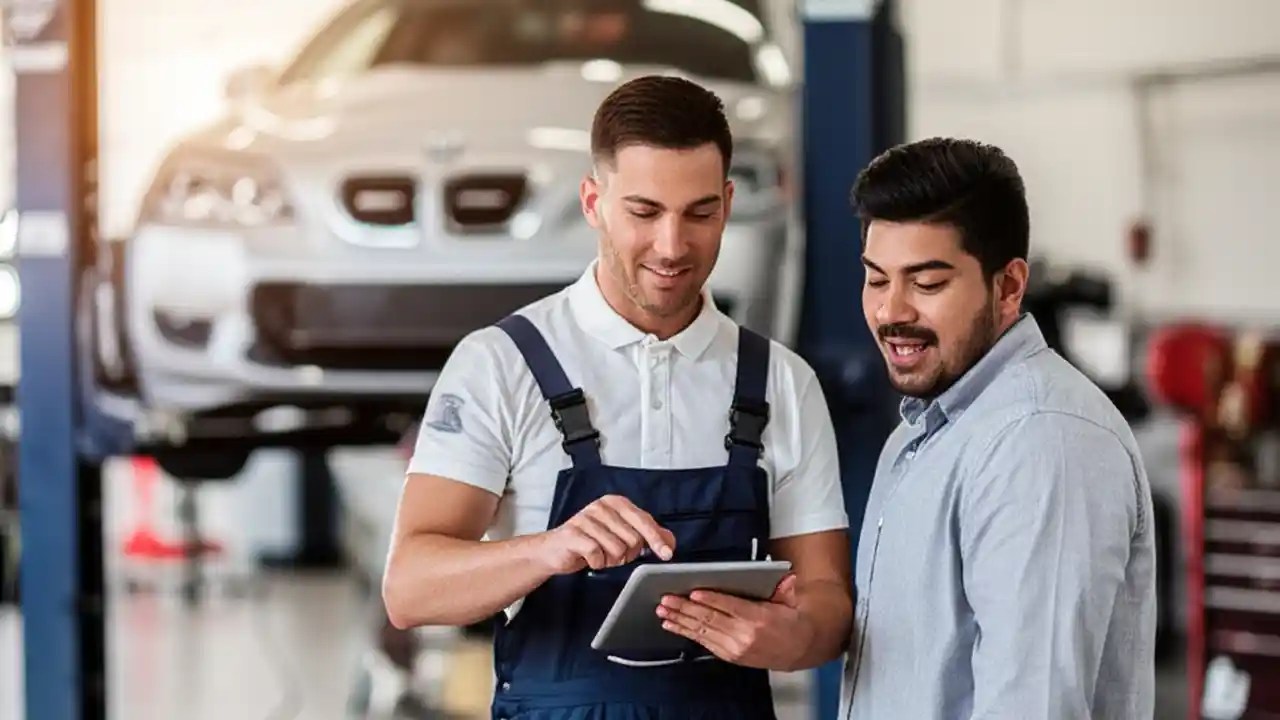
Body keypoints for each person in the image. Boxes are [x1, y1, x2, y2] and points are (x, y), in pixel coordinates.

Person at [383, 75, 853, 720]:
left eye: (700, 213)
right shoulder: (500, 364)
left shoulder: (781, 383)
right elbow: (409, 589)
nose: (672, 246)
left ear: (729, 201)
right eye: (643, 212)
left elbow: (828, 600)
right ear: (592, 201)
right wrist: (546, 550)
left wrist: (792, 637)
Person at [838, 138, 1156, 719]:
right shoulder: (923, 431)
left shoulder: (1042, 442)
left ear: (1008, 287)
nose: (891, 312)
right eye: (877, 279)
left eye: (927, 283)